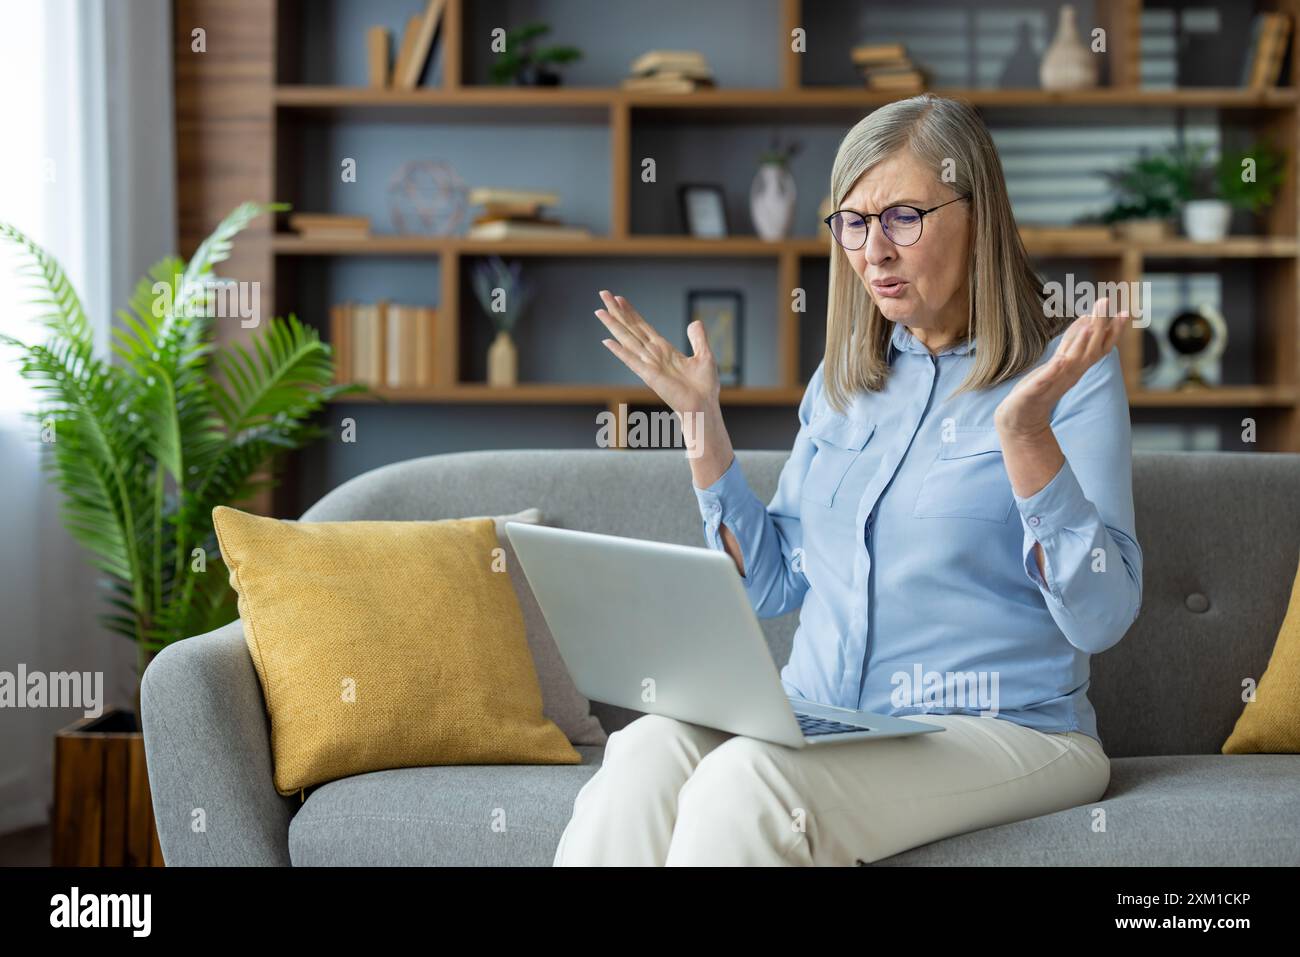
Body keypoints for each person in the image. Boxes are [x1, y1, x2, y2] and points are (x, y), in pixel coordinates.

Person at [555, 92, 1143, 866]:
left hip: (1008, 728)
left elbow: (1101, 616)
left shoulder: (1068, 376)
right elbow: (773, 585)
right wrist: (701, 424)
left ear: (979, 214)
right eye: (854, 223)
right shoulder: (846, 380)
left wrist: (1026, 436)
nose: (873, 251)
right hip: (828, 717)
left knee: (746, 784)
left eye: (903, 215)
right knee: (642, 753)